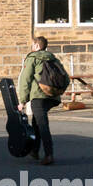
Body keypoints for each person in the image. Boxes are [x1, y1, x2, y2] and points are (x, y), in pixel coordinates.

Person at [17, 36, 63, 165]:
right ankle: (35, 151)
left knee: (42, 125)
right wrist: (57, 92)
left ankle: (49, 155)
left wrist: (22, 101)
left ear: (37, 46)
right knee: (37, 122)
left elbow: (25, 80)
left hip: (39, 96)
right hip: (52, 96)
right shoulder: (53, 58)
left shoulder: (33, 58)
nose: (31, 47)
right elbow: (66, 78)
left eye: (32, 45)